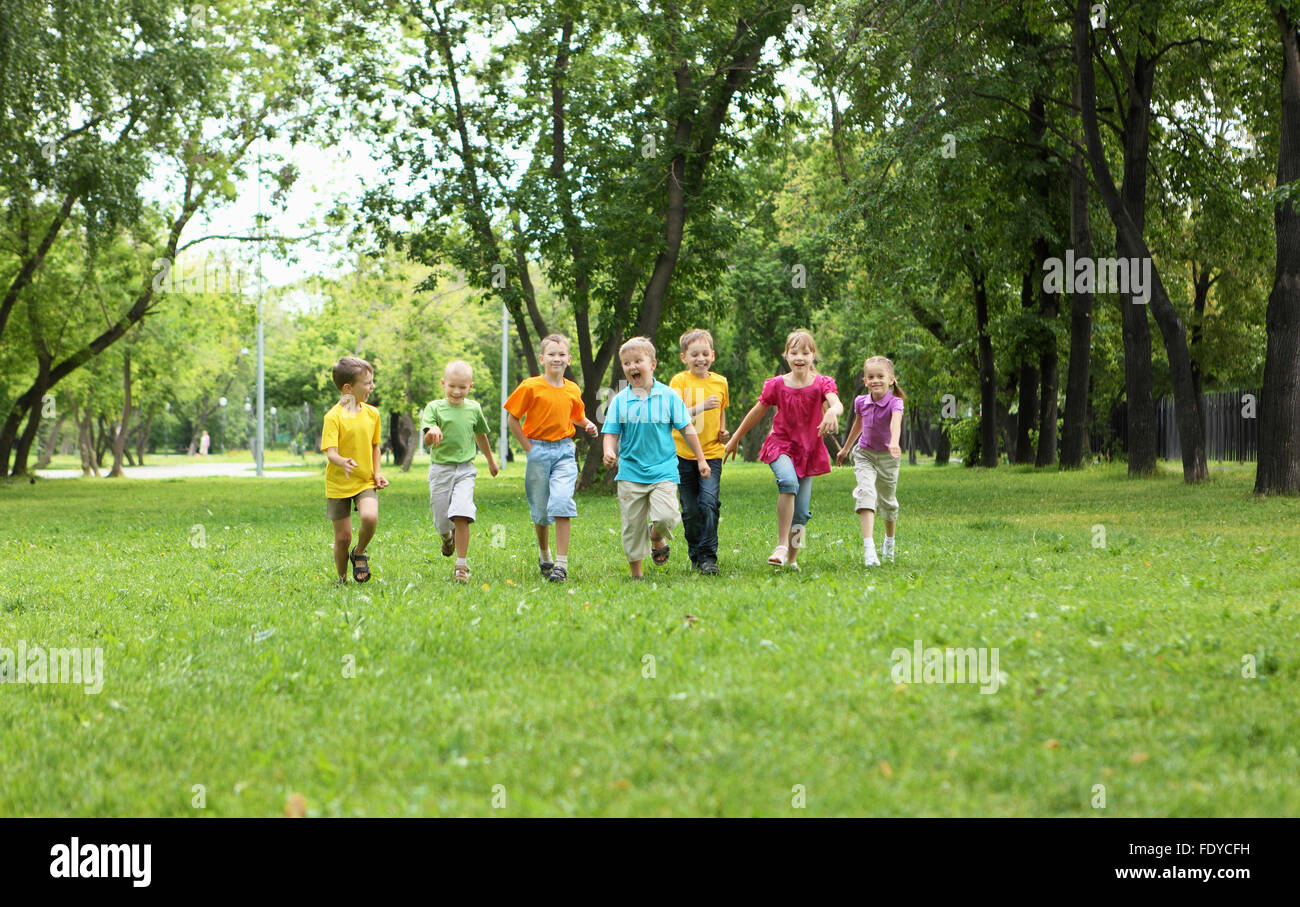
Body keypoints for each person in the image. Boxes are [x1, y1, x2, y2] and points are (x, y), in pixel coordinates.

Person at [723, 329, 842, 571]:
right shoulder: (777, 384)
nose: (800, 357)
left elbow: (836, 402)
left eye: (805, 352)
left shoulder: (823, 383)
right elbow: (757, 412)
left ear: (813, 356)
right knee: (788, 482)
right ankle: (780, 545)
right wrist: (735, 437)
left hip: (808, 450)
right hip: (781, 445)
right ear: (786, 355)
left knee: (801, 515)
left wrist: (831, 411)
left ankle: (792, 558)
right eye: (794, 352)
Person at [602, 337, 711, 579]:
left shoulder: (669, 396)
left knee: (667, 516)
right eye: (626, 363)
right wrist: (608, 450)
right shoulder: (619, 400)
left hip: (663, 470)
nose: (632, 367)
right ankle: (637, 575)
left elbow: (687, 429)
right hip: (631, 471)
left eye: (637, 361)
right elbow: (610, 433)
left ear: (652, 364)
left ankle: (657, 535)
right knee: (632, 526)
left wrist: (701, 459)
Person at [504, 334, 599, 582]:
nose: (557, 359)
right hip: (537, 450)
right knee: (541, 510)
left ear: (569, 359)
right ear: (542, 358)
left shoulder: (572, 389)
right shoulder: (530, 386)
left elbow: (577, 415)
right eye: (552, 354)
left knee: (561, 501)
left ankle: (561, 564)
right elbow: (512, 419)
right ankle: (544, 551)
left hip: (564, 451)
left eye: (561, 354)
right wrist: (527, 447)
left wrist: (588, 424)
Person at [420, 360, 500, 583]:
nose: (457, 391)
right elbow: (427, 438)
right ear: (443, 383)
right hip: (440, 470)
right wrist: (432, 430)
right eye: (452, 386)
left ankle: (461, 566)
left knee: (462, 513)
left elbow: (481, 435)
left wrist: (491, 461)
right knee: (442, 519)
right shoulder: (434, 408)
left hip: (465, 469)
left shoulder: (474, 408)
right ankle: (447, 538)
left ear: (470, 387)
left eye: (462, 387)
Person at [321, 356, 388, 583]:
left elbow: (375, 446)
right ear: (348, 388)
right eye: (367, 383)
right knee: (342, 537)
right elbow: (331, 453)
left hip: (364, 480)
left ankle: (359, 551)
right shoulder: (333, 417)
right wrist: (343, 461)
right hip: (339, 483)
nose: (372, 387)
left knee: (370, 517)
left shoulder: (372, 414)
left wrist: (377, 473)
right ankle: (342, 579)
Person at [669, 328, 729, 574]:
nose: (700, 358)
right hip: (682, 454)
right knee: (691, 509)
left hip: (712, 453)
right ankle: (695, 554)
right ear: (684, 357)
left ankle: (708, 558)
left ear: (712, 355)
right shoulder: (679, 381)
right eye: (694, 354)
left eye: (705, 353)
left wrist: (723, 431)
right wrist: (702, 406)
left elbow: (722, 410)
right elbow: (675, 416)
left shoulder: (720, 381)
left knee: (708, 503)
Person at [836, 356, 905, 566]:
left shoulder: (896, 402)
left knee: (888, 502)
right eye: (871, 377)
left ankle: (889, 542)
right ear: (865, 381)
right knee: (866, 494)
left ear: (891, 379)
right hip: (864, 454)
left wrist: (894, 442)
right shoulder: (860, 401)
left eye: (880, 376)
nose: (875, 380)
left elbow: (896, 423)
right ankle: (869, 550)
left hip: (888, 457)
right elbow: (858, 425)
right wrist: (846, 449)